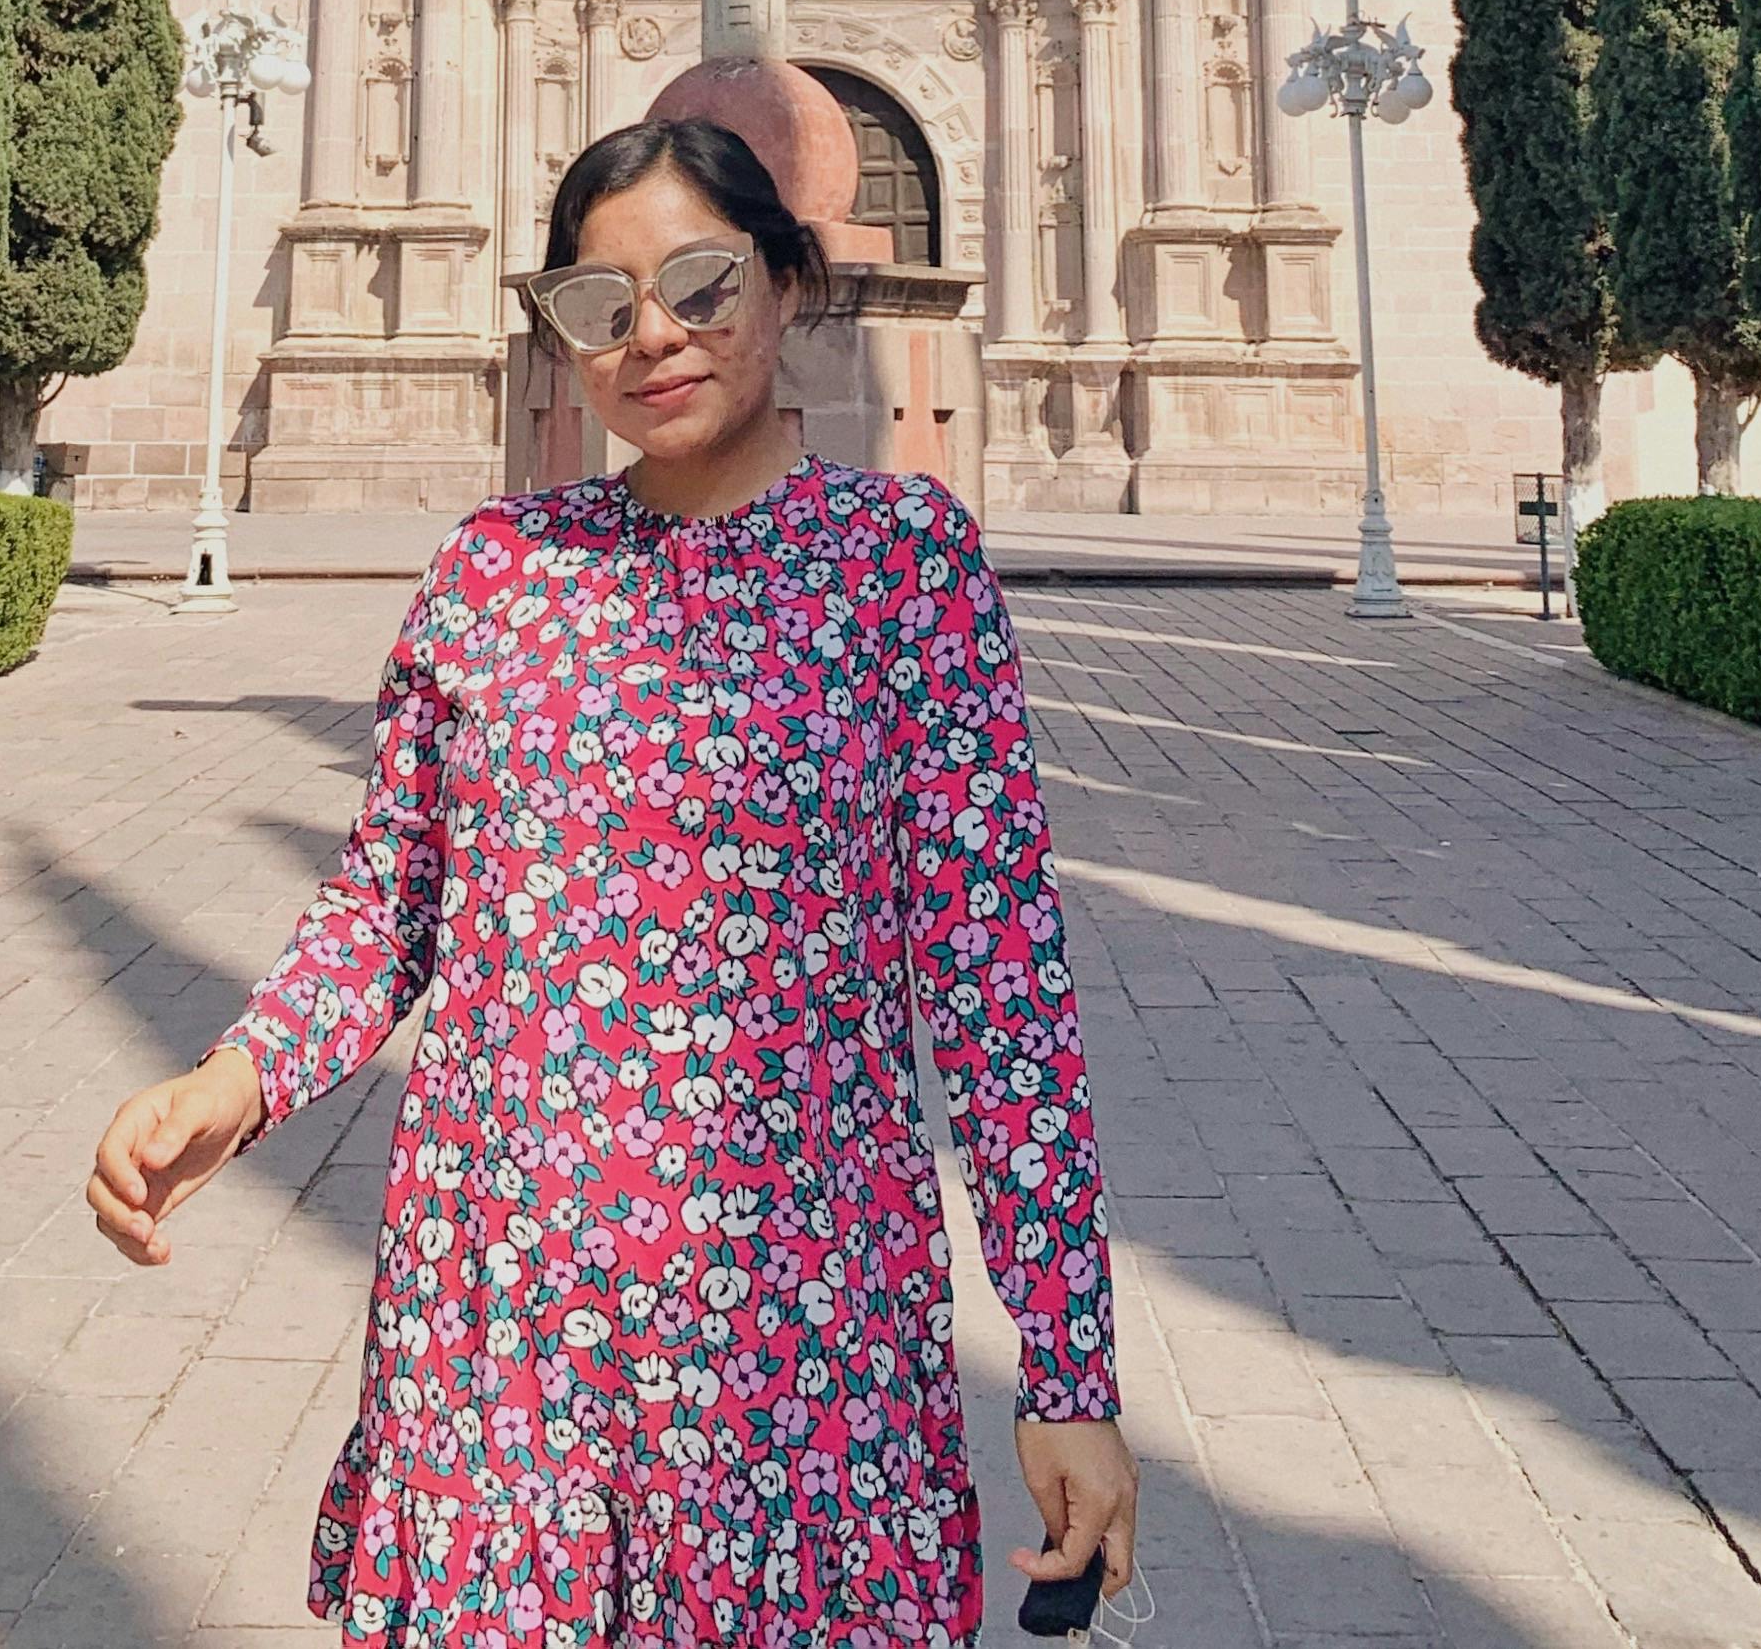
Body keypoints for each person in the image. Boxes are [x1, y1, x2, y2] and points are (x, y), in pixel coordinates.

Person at [87, 113, 1140, 1644]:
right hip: (498, 1325)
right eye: (595, 303)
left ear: (788, 284)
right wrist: (237, 1078)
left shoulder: (905, 562)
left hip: (795, 1340)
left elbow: (1001, 999)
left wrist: (1067, 1375)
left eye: (702, 283)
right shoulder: (495, 569)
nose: (652, 334)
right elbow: (393, 898)